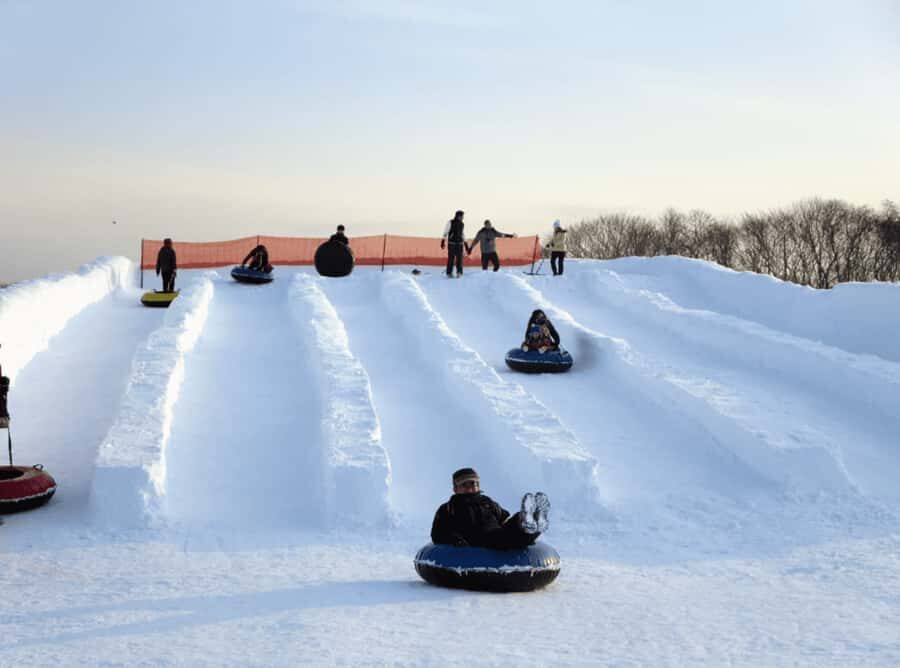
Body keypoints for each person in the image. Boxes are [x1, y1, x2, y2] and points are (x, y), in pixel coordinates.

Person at [431, 468, 550, 550]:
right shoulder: (449, 508)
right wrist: (455, 540)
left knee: (516, 524)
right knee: (508, 539)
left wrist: (513, 521)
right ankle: (530, 525)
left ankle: (533, 519)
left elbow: (504, 518)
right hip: (479, 542)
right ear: (455, 488)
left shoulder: (487, 502)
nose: (470, 488)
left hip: (497, 532)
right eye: (464, 485)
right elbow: (438, 533)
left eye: (473, 484)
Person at [441, 210, 469, 278]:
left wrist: (466, 244)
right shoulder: (450, 222)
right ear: (458, 216)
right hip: (452, 243)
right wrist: (443, 241)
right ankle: (449, 273)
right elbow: (445, 231)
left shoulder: (462, 224)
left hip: (460, 243)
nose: (463, 217)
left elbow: (462, 234)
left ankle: (459, 272)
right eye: (462, 216)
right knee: (451, 258)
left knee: (459, 259)